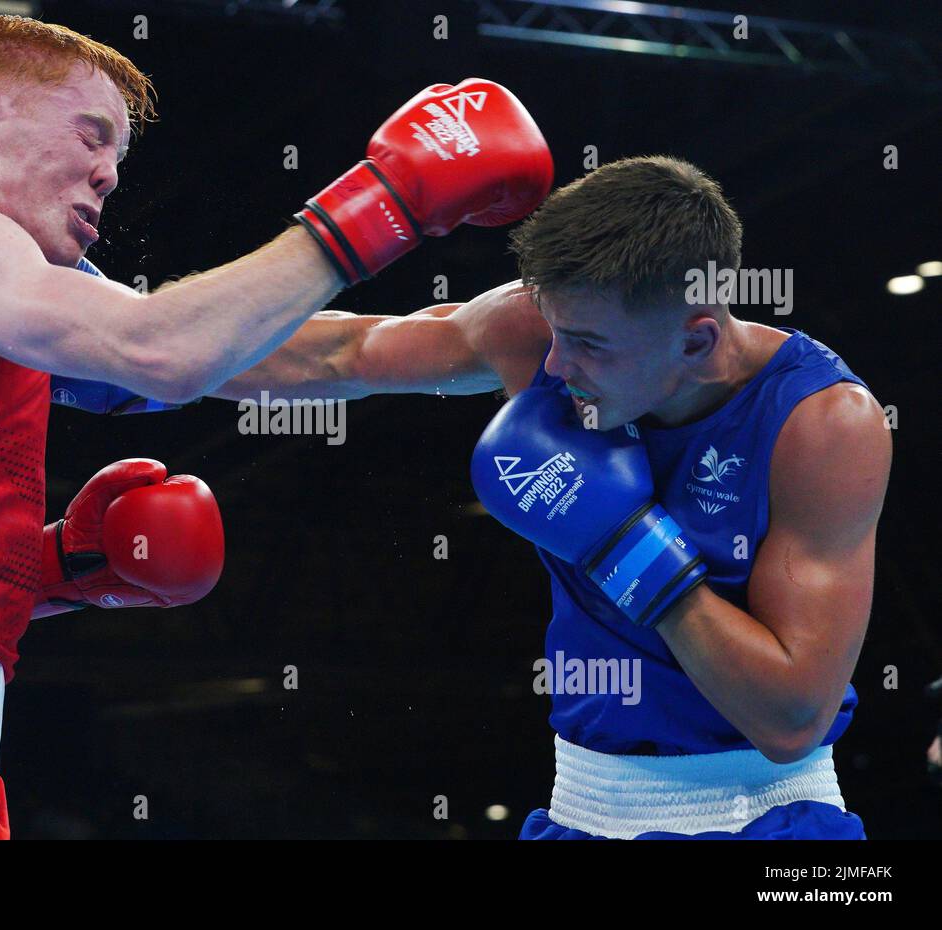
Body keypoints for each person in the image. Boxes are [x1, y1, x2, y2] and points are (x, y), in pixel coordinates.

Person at [0, 13, 552, 838]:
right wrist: (386, 203)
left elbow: (301, 357)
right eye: (91, 135)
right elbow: (168, 347)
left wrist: (470, 340)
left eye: (118, 157)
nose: (108, 175)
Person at [214, 155, 891, 839]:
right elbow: (343, 353)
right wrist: (131, 357)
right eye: (556, 331)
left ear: (697, 338)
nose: (558, 366)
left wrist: (628, 548)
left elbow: (791, 720)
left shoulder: (823, 424)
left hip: (767, 820)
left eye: (589, 345)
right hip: (580, 813)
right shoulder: (542, 334)